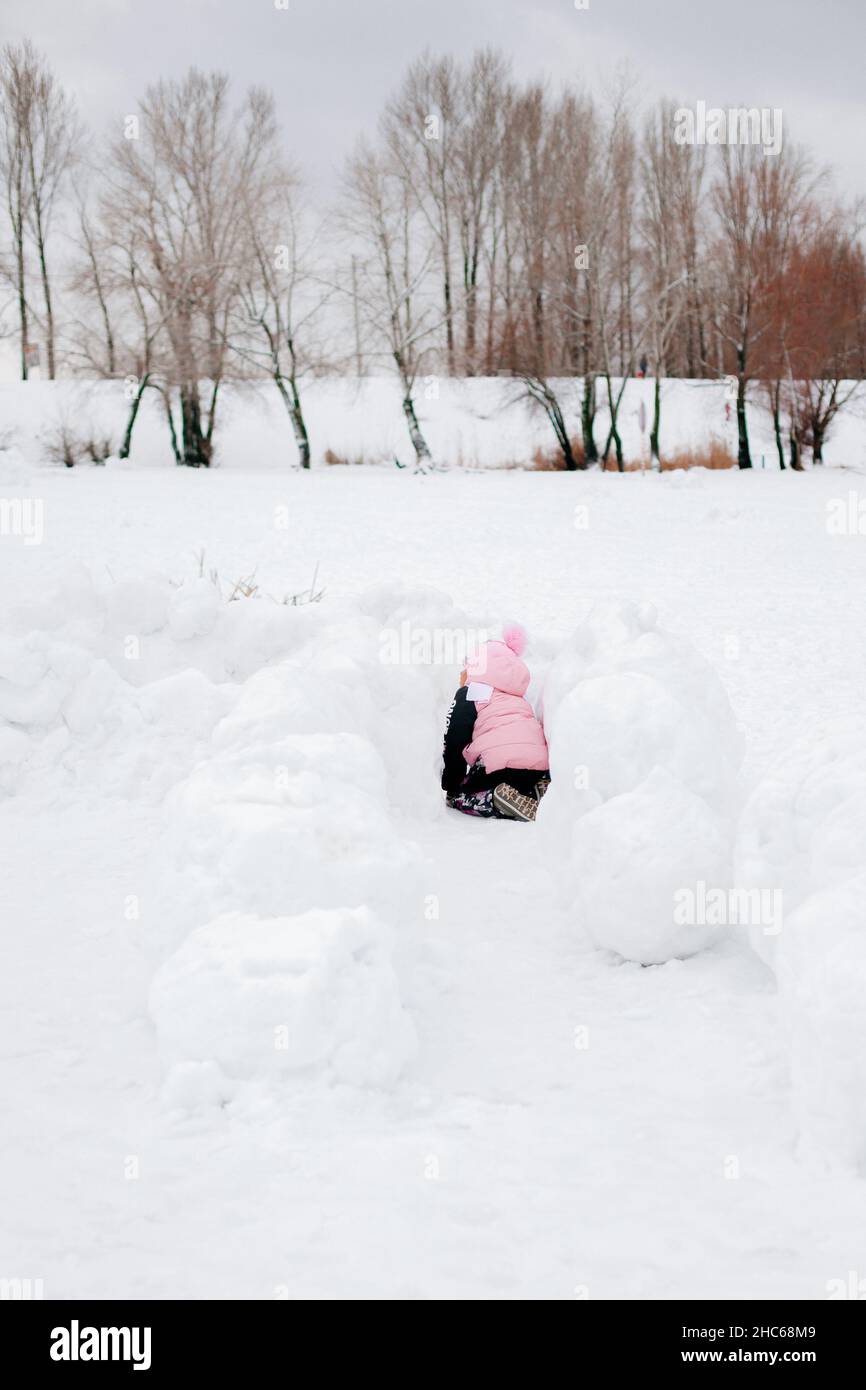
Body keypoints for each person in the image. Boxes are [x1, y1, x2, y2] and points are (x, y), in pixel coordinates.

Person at [441, 625, 550, 821]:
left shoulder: (470, 693)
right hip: (538, 765)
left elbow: (455, 737)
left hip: (496, 768)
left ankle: (494, 799)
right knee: (516, 775)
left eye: (465, 667)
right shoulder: (518, 697)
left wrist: (451, 783)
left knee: (458, 796)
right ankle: (536, 791)